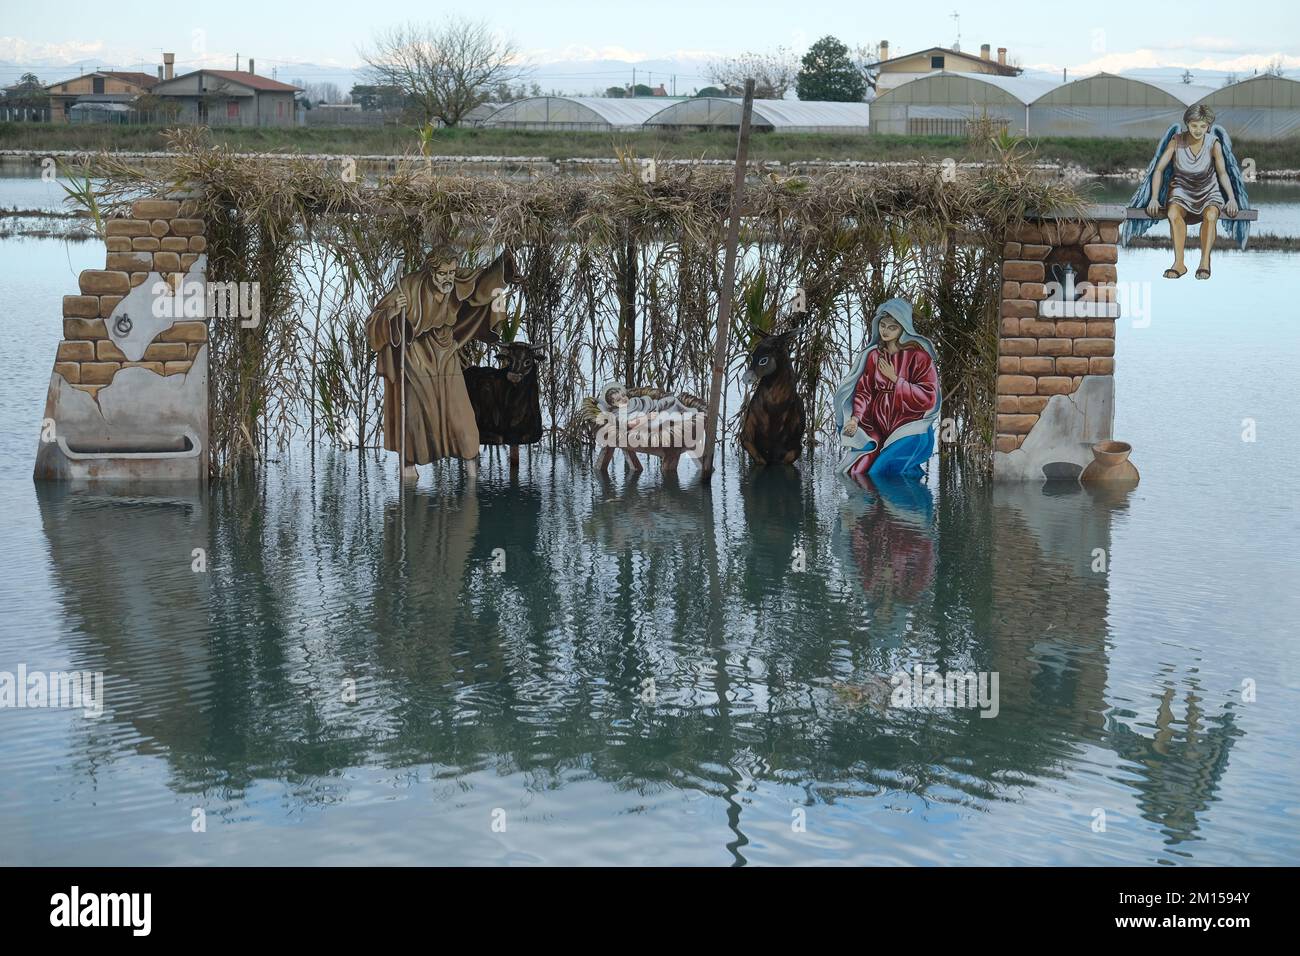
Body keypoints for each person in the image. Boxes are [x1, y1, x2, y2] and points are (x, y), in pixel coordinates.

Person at [366, 249, 517, 479]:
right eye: (443, 273)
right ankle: (409, 471)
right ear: (430, 272)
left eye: (452, 272)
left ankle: (471, 473)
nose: (449, 277)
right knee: (416, 415)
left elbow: (482, 287)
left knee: (461, 414)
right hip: (415, 358)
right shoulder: (409, 285)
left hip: (446, 353)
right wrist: (393, 312)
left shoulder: (456, 282)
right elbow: (374, 321)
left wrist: (502, 271)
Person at [832, 298, 940, 479]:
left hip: (907, 425)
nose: (886, 331)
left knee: (879, 472)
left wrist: (896, 380)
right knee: (856, 472)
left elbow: (929, 397)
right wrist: (855, 419)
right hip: (877, 425)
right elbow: (864, 390)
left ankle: (906, 505)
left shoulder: (919, 357)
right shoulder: (874, 356)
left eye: (893, 327)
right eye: (883, 325)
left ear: (903, 328)